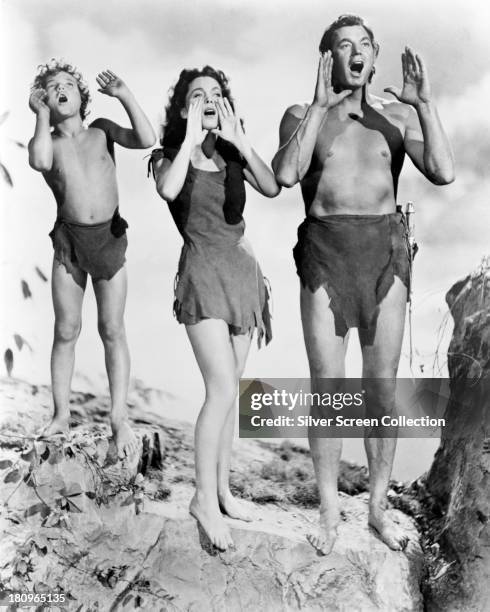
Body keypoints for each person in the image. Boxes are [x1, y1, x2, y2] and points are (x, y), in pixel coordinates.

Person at [272, 14, 454, 554]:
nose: (356, 52)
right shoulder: (301, 114)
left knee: (380, 387)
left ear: (374, 58)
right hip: (325, 251)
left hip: (385, 255)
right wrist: (320, 107)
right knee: (328, 385)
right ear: (327, 59)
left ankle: (376, 507)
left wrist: (424, 104)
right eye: (342, 46)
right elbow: (285, 175)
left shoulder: (395, 116)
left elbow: (442, 171)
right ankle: (329, 508)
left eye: (364, 45)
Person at [150, 66, 279, 550]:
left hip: (244, 276)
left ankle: (222, 491)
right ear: (184, 107)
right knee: (220, 388)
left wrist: (240, 141)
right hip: (202, 275)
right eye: (198, 95)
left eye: (217, 93)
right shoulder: (169, 157)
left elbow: (271, 187)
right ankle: (202, 499)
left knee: (233, 396)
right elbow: (167, 190)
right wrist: (188, 138)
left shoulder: (230, 150)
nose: (209, 99)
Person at [28, 60, 156, 458]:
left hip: (108, 238)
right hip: (69, 241)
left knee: (112, 329)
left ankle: (119, 419)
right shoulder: (48, 140)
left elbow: (146, 137)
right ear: (43, 99)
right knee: (66, 329)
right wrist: (41, 117)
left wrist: (124, 95)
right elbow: (39, 161)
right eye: (52, 87)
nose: (61, 88)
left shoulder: (101, 129)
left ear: (82, 96)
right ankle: (61, 413)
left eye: (68, 83)